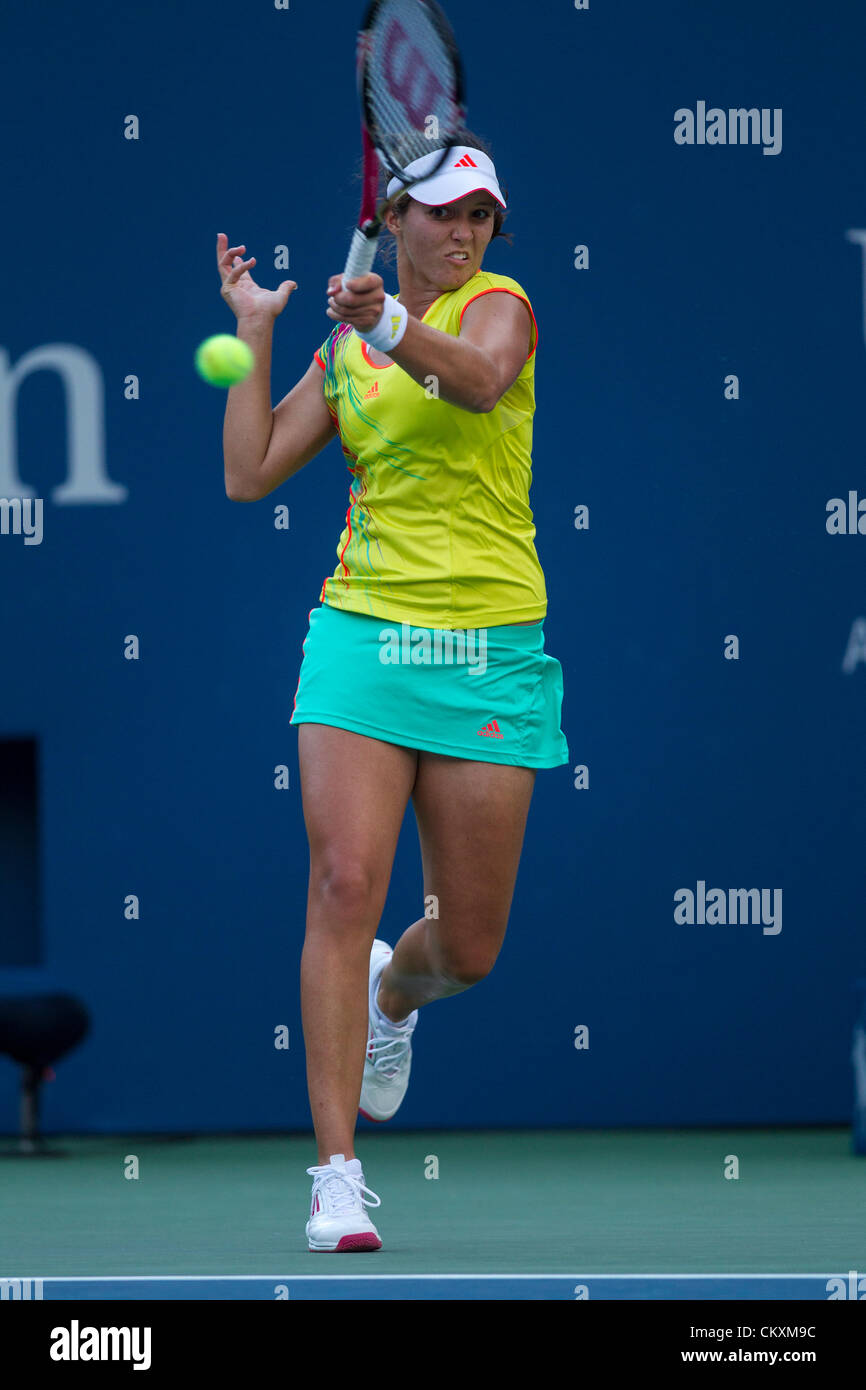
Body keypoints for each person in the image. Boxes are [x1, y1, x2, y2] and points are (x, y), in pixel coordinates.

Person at [218, 133, 569, 1253]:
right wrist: (259, 335)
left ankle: (392, 997)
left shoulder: (497, 306)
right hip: (362, 632)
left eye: (478, 217)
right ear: (395, 222)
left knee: (466, 949)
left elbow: (477, 383)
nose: (462, 235)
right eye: (441, 216)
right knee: (344, 878)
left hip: (486, 647)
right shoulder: (346, 350)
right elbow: (249, 472)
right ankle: (333, 1175)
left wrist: (380, 322)